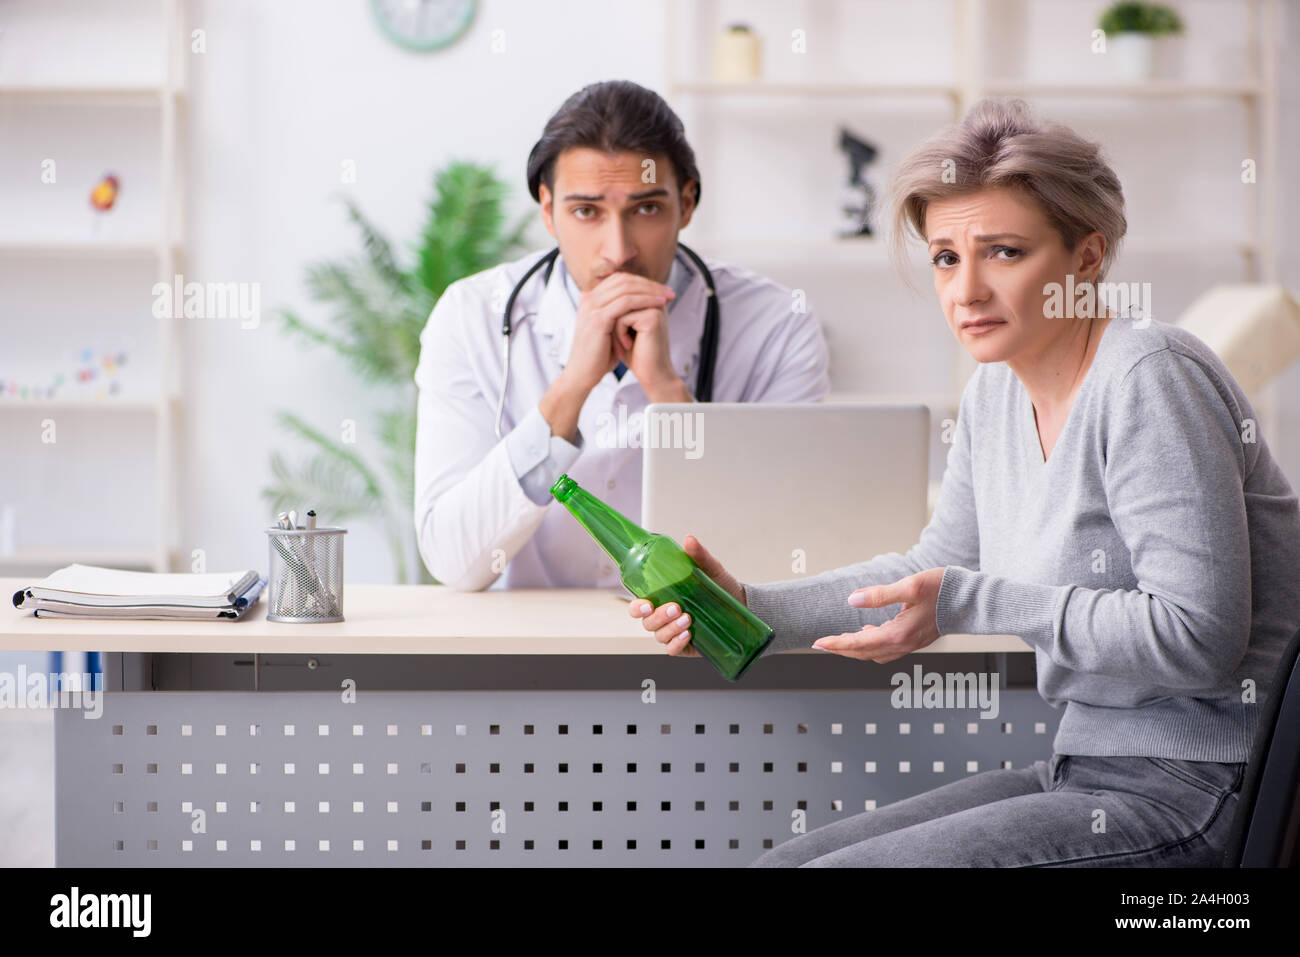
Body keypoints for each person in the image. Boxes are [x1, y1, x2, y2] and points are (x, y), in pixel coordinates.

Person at [628, 97, 1300, 867]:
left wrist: (969, 598)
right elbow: (937, 564)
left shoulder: (1148, 377)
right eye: (946, 256)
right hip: (1084, 768)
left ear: (1088, 254)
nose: (967, 290)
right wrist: (748, 608)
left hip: (1204, 786)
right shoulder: (999, 390)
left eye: (1005, 252)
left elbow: (1199, 637)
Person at [413, 80, 831, 591]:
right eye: (586, 211)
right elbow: (455, 562)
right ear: (547, 210)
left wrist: (668, 393)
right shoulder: (470, 316)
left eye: (647, 209)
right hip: (525, 654)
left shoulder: (777, 324)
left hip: (703, 656)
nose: (618, 250)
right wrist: (571, 388)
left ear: (688, 202)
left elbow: (783, 553)